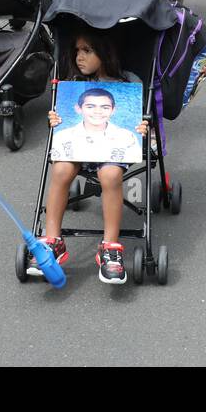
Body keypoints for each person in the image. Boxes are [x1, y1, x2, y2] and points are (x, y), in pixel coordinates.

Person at [35, 32, 147, 284]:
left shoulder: (129, 82)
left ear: (104, 52)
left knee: (110, 174)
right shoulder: (73, 83)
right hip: (79, 146)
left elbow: (141, 120)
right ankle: (53, 240)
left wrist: (142, 126)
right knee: (61, 170)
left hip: (114, 149)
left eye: (87, 51)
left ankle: (110, 246)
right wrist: (55, 120)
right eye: (77, 51)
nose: (79, 56)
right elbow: (62, 124)